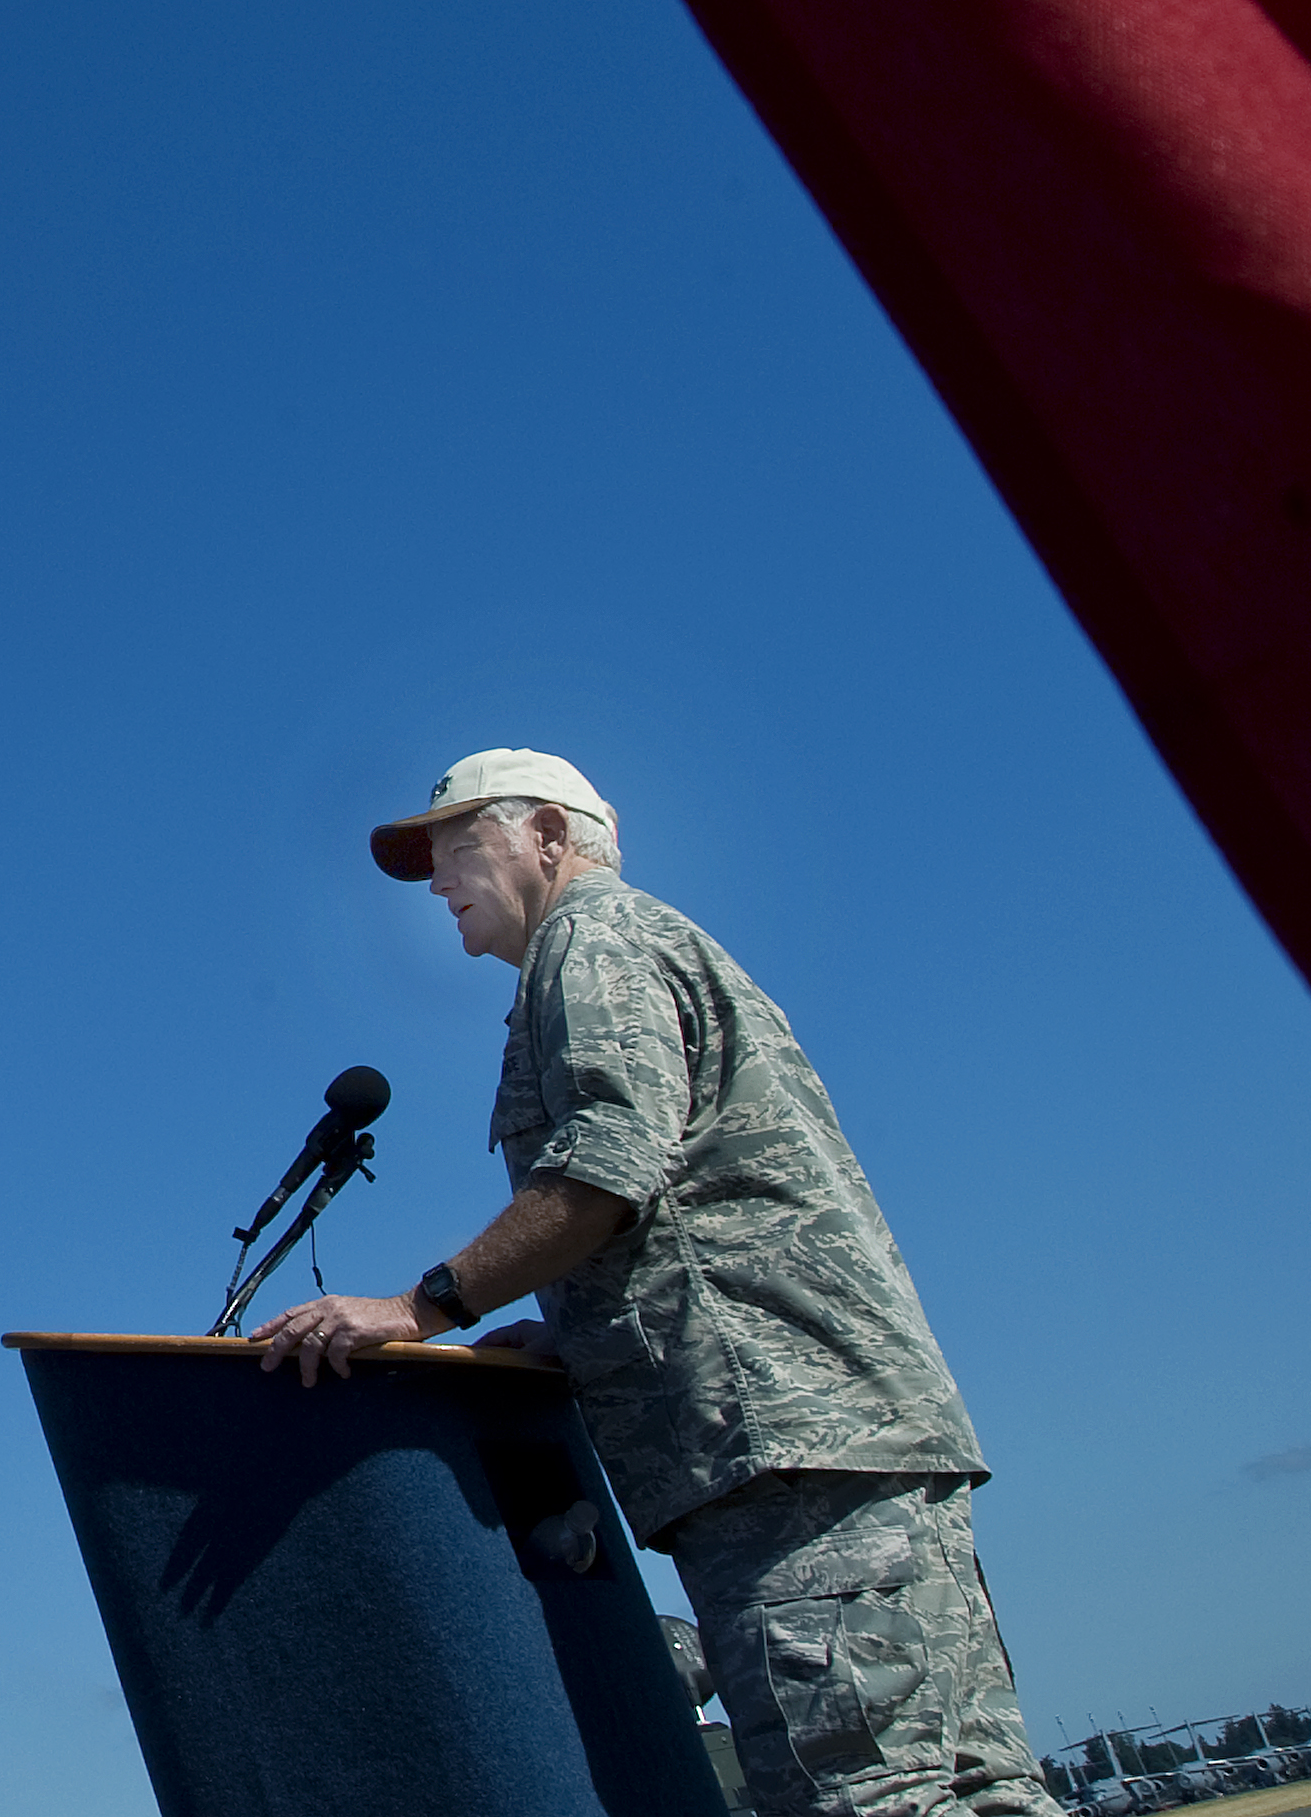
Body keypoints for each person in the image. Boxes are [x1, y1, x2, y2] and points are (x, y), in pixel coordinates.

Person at [250, 747, 1059, 1817]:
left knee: (872, 1796)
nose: (439, 881)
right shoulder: (623, 945)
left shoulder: (590, 941)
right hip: (831, 1434)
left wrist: (419, 1307)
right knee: (978, 1790)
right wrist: (574, 1342)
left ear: (548, 834)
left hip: (774, 1446)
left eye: (459, 846)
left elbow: (609, 1162)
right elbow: (688, 1203)